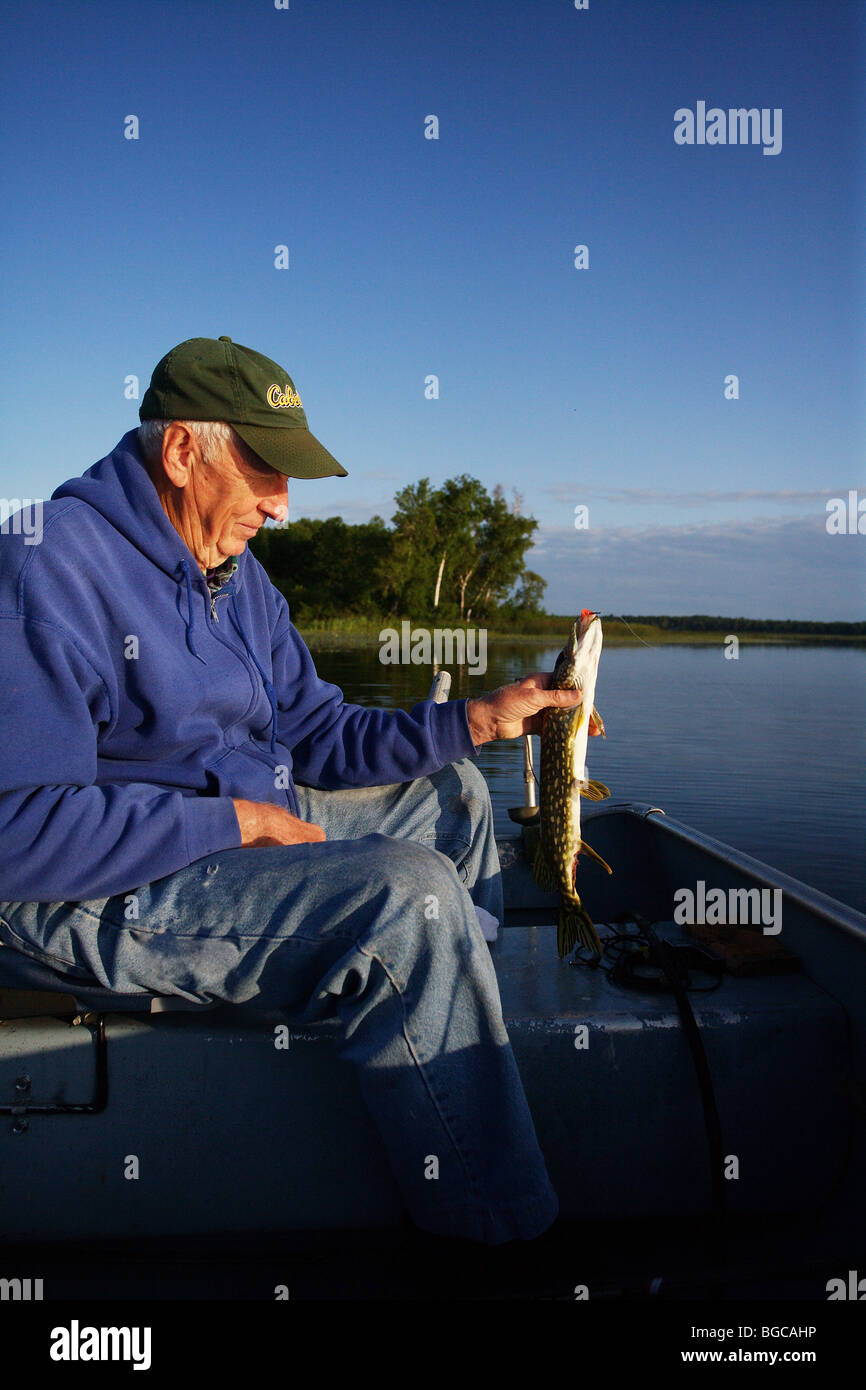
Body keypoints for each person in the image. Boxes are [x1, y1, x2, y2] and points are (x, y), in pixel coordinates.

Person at [0, 335, 596, 1248]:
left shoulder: (239, 578)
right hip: (79, 891)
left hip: (225, 830)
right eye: (267, 469)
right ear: (182, 451)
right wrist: (227, 821)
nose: (281, 505)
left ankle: (457, 1064)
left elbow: (319, 734)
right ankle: (499, 1237)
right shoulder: (46, 568)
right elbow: (18, 831)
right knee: (412, 900)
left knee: (455, 799)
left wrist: (475, 717)